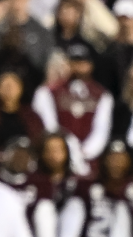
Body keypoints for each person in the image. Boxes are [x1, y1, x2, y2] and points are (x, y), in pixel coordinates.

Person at [33, 40, 113, 174]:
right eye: (74, 62)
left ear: (90, 65)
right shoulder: (47, 92)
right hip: (56, 161)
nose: (78, 67)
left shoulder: (102, 95)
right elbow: (50, 125)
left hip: (89, 164)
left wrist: (83, 154)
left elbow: (101, 130)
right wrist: (70, 149)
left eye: (82, 62)